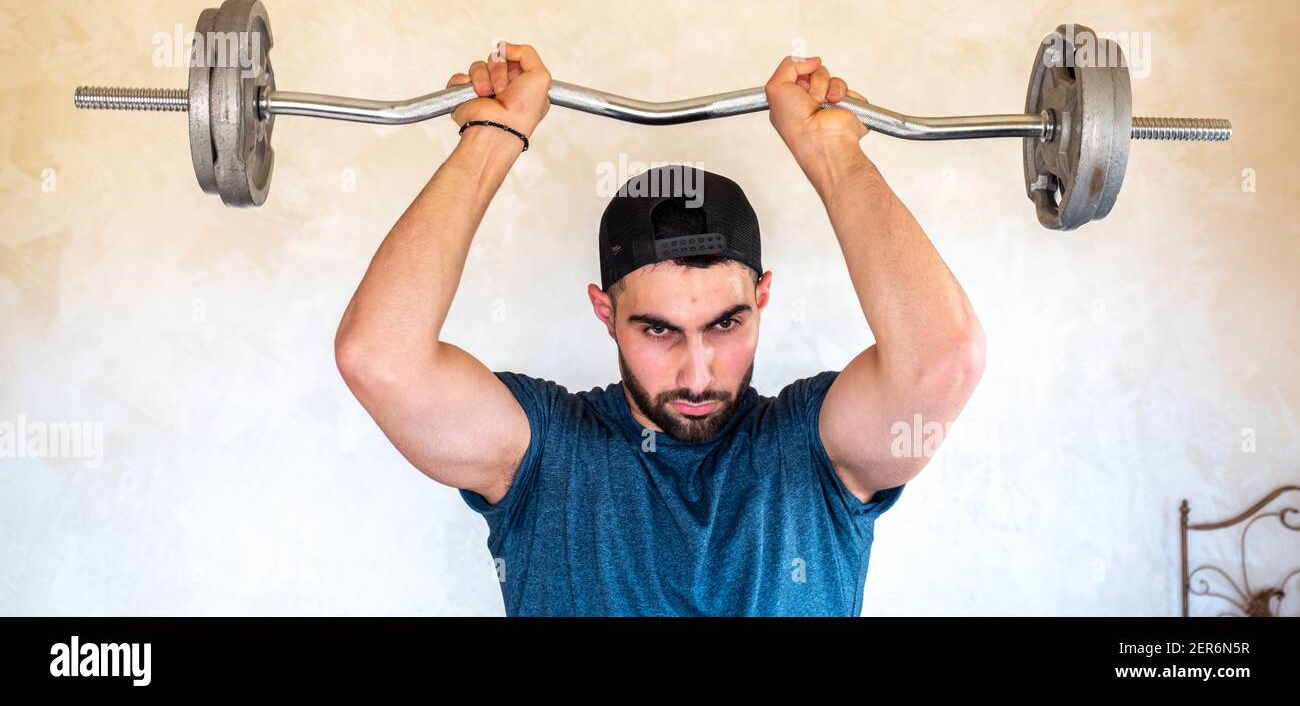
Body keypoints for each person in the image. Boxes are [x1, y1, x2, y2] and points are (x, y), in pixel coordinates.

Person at [334, 42, 986, 616]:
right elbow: (380, 357)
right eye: (658, 331)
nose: (697, 371)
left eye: (725, 324)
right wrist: (492, 137)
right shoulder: (543, 455)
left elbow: (944, 359)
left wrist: (833, 152)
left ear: (763, 298)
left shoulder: (818, 451)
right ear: (605, 313)